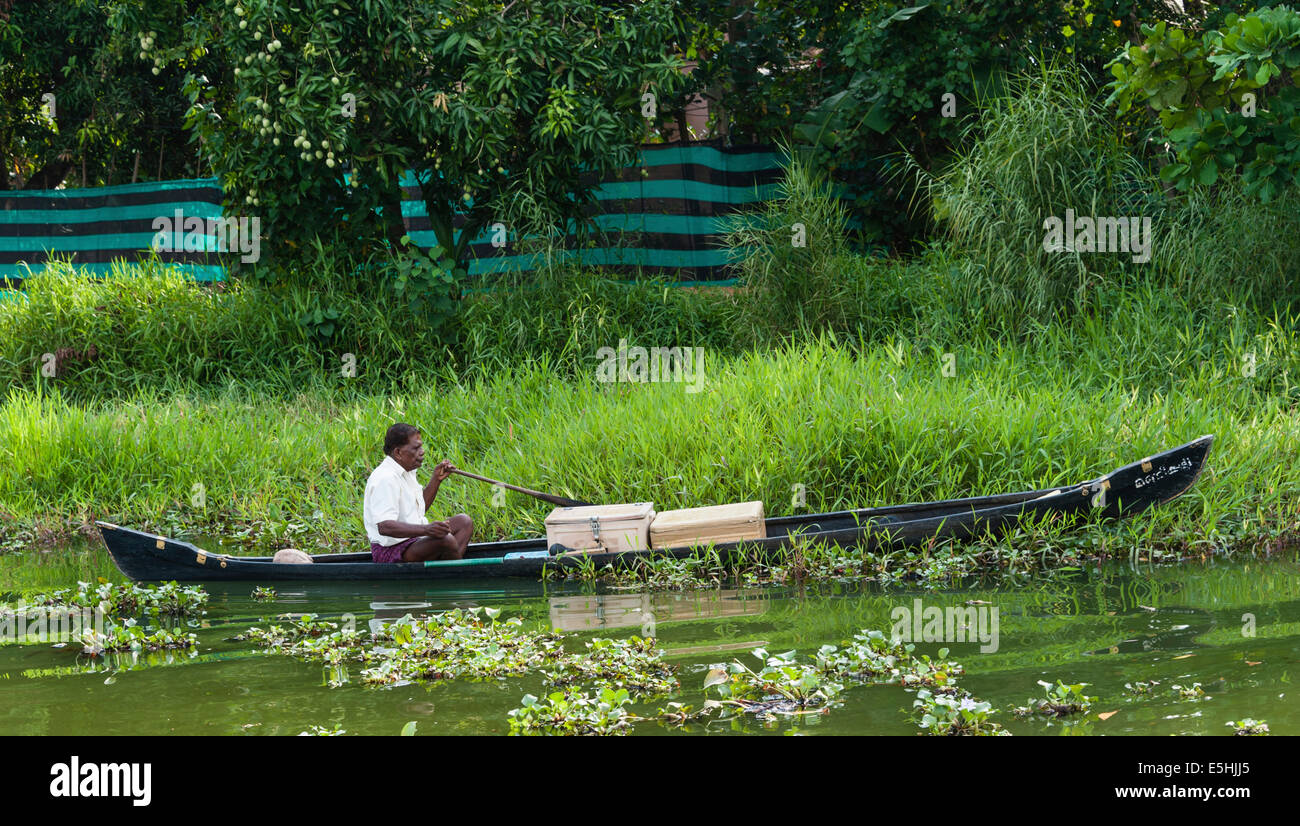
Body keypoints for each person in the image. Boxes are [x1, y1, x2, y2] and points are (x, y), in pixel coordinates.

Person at [364, 423, 474, 563]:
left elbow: (417, 510)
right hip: (390, 551)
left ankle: (447, 571)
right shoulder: (385, 478)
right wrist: (427, 530)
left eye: (421, 446)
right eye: (416, 448)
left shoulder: (407, 471)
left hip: (414, 542)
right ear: (398, 453)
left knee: (464, 522)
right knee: (446, 539)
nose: (422, 452)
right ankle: (457, 575)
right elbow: (385, 527)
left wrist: (436, 480)